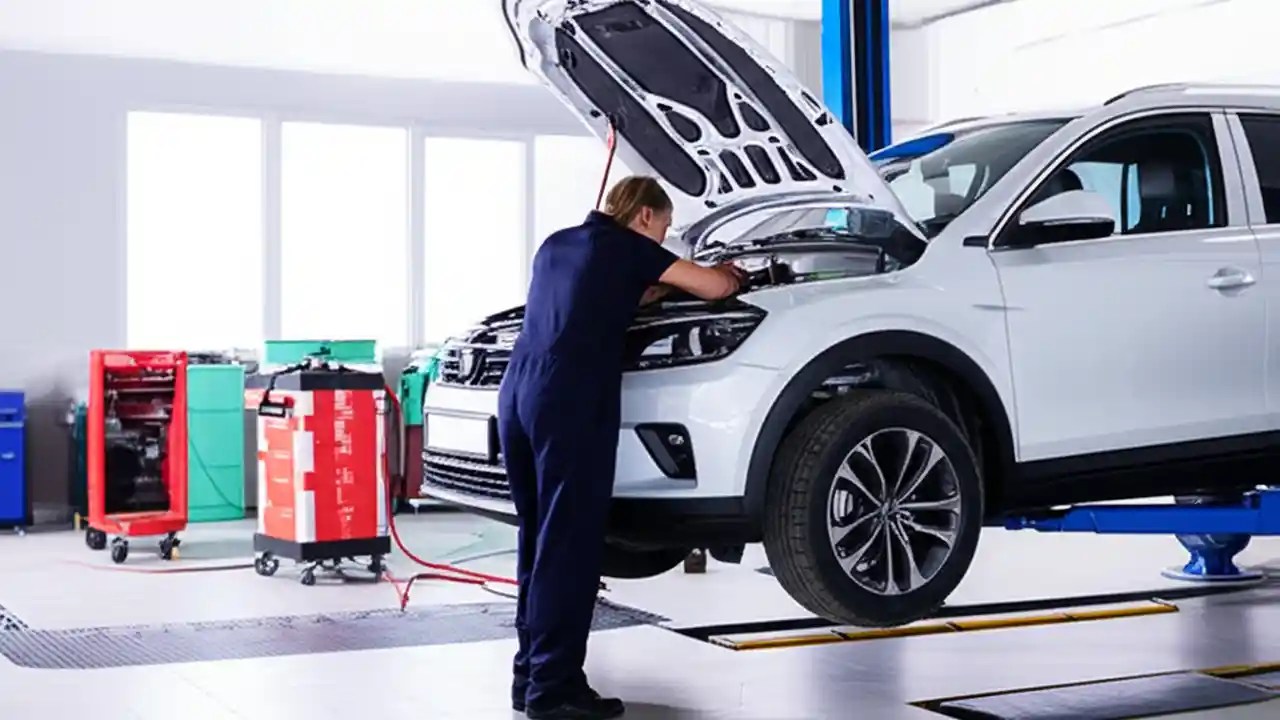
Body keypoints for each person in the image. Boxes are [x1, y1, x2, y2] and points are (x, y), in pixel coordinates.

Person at [498, 175, 743, 719]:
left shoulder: (558, 244)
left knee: (537, 539)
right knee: (570, 544)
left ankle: (530, 677)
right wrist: (732, 273)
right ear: (645, 216)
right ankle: (555, 691)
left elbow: (599, 294)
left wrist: (654, 289)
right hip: (568, 397)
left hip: (518, 392)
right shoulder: (630, 246)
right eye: (665, 226)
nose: (663, 237)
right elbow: (713, 287)